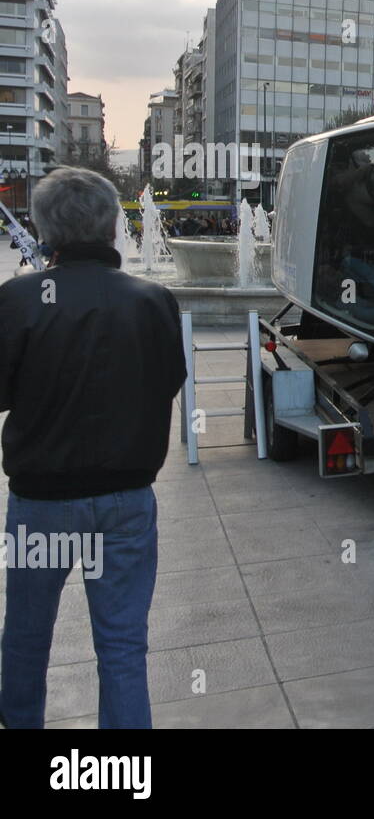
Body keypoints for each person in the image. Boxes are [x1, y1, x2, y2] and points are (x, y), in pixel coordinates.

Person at [0, 167, 187, 729]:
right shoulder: (151, 298)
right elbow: (168, 380)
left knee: (27, 635)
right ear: (111, 227)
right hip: (127, 500)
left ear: (44, 229)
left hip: (41, 504)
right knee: (123, 644)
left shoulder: (19, 298)